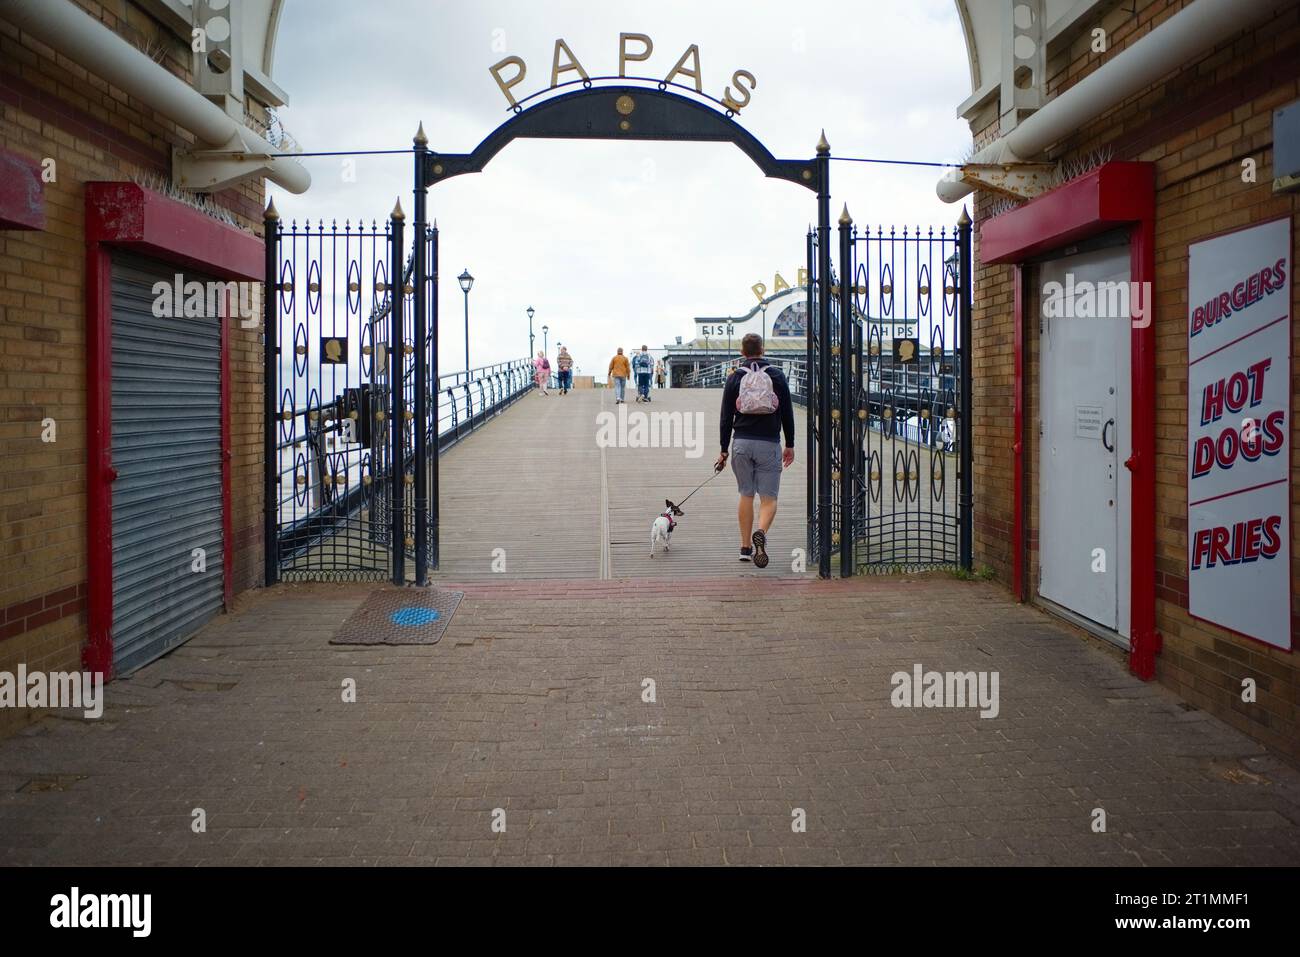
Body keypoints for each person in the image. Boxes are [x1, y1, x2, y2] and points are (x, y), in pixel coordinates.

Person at [714, 333, 795, 568]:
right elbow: (787, 413)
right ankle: (761, 532)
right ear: (763, 349)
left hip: (741, 443)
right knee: (769, 499)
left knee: (746, 494)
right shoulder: (776, 375)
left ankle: (745, 547)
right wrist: (789, 444)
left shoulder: (735, 377)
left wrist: (723, 449)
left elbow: (725, 416)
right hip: (769, 443)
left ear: (742, 352)